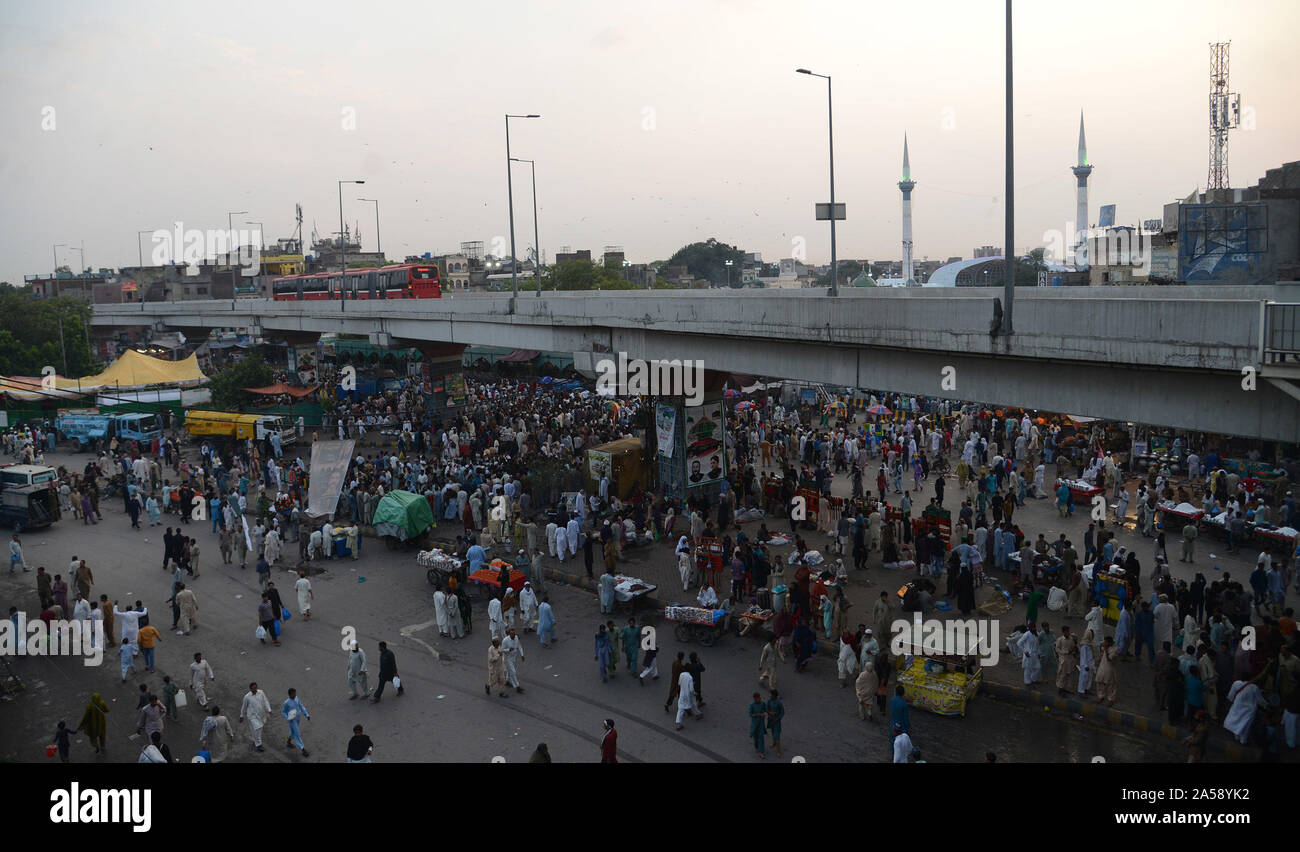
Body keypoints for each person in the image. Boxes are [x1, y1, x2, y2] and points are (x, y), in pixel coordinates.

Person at [239, 682, 272, 753]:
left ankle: (256, 741)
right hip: (252, 716)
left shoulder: (261, 693)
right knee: (258, 729)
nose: (255, 689)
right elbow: (244, 707)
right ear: (250, 689)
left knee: (257, 730)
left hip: (261, 715)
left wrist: (269, 710)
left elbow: (266, 701)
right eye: (253, 688)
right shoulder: (247, 697)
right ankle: (258, 745)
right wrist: (241, 716)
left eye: (256, 687)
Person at [281, 688, 311, 758]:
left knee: (292, 732)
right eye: (293, 694)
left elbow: (301, 706)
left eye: (295, 693)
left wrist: (307, 714)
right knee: (297, 734)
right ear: (289, 695)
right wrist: (288, 718)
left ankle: (288, 742)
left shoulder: (297, 698)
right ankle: (303, 749)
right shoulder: (286, 703)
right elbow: (283, 712)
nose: (294, 695)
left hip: (297, 718)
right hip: (292, 720)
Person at [1055, 626, 1078, 697]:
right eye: (1066, 631)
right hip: (1063, 660)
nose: (1068, 633)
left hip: (1070, 660)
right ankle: (1060, 689)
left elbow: (1074, 646)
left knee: (1070, 674)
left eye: (1068, 631)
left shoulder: (1072, 639)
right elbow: (1057, 649)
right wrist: (1065, 652)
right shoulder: (1060, 640)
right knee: (1063, 675)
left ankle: (1067, 688)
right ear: (1063, 632)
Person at [502, 627, 526, 694]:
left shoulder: (516, 638)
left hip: (514, 657)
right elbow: (502, 650)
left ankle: (507, 681)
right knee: (513, 672)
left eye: (514, 633)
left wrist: (522, 655)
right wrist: (508, 650)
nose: (514, 635)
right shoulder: (505, 640)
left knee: (510, 671)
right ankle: (517, 686)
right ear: (509, 634)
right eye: (512, 634)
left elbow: (519, 646)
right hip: (507, 659)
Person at [748, 692, 768, 758]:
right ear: (754, 699)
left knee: (761, 738)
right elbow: (750, 714)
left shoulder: (762, 703)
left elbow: (766, 709)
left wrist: (768, 713)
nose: (759, 699)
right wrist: (758, 714)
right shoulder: (752, 705)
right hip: (755, 724)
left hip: (761, 724)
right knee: (756, 738)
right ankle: (756, 747)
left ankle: (761, 752)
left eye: (759, 698)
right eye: (758, 698)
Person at [766, 689, 784, 757]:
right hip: (771, 720)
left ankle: (778, 751)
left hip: (776, 722)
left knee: (777, 736)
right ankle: (773, 743)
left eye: (771, 694)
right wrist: (769, 712)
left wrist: (777, 719)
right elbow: (766, 708)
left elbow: (782, 713)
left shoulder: (779, 703)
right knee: (772, 732)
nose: (770, 695)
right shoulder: (769, 701)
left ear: (774, 695)